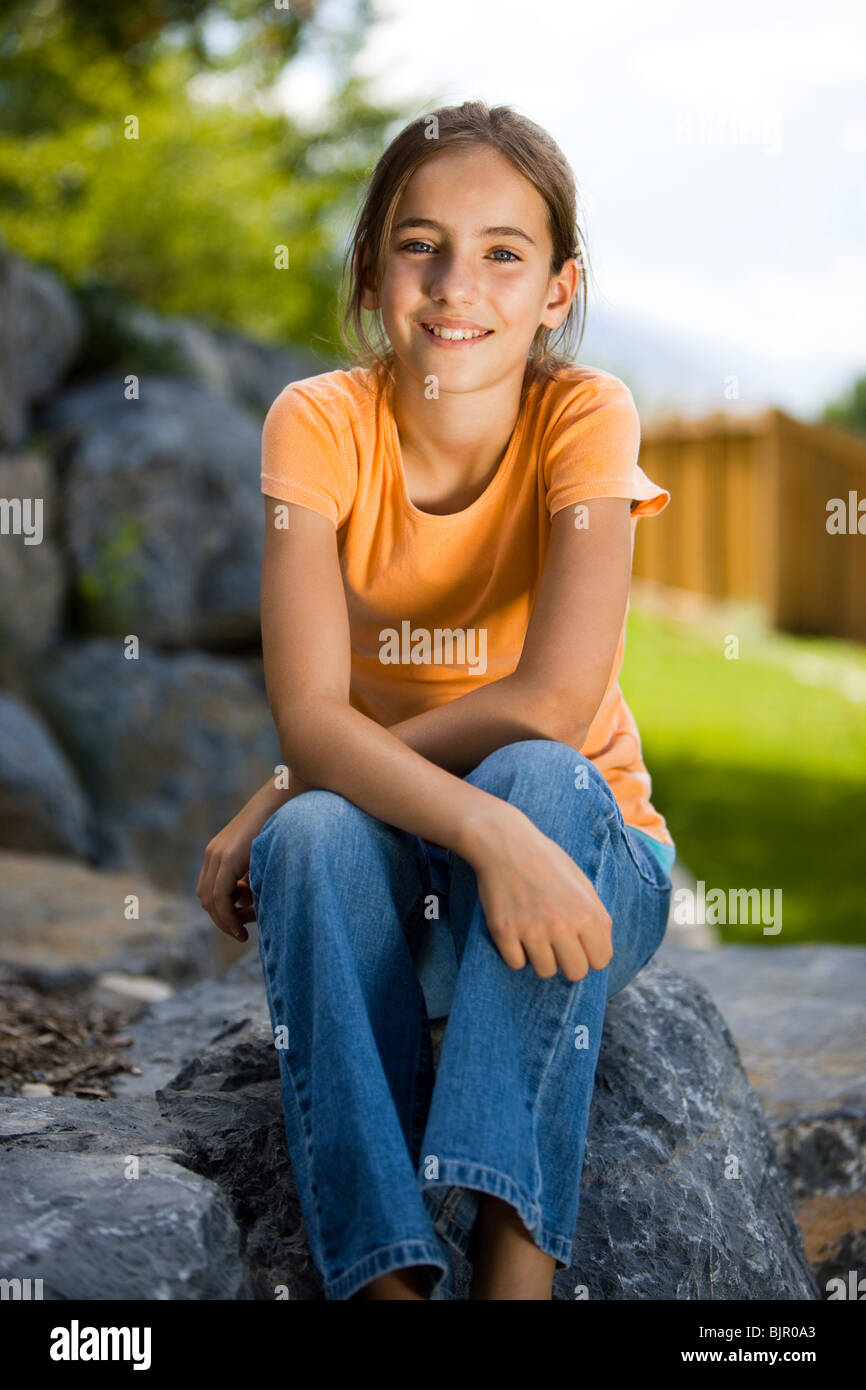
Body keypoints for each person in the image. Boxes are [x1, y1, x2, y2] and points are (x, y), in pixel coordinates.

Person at [196, 100, 676, 1301]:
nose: (457, 283)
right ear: (369, 270)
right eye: (419, 244)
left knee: (539, 774)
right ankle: (388, 1280)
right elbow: (309, 719)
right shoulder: (318, 423)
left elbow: (555, 698)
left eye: (503, 252)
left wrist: (494, 823)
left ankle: (514, 1276)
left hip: (576, 856)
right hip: (403, 855)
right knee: (313, 831)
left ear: (556, 289)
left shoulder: (584, 414)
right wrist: (316, 793)